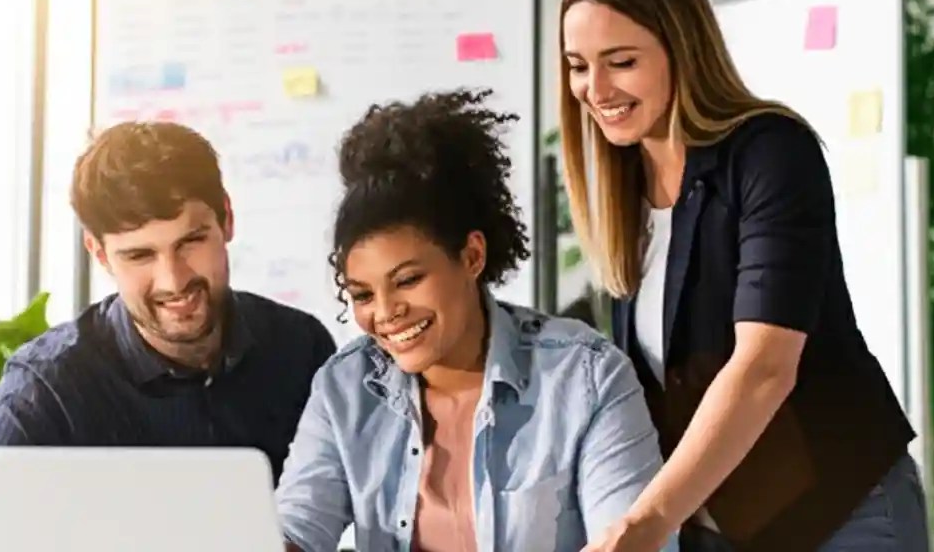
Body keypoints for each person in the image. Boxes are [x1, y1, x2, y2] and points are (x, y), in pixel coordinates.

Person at [557, 0, 929, 552]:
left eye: (620, 61)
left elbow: (763, 368)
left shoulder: (770, 154)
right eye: (577, 65)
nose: (595, 88)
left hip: (840, 514)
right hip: (722, 530)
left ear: (680, 47)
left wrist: (646, 521)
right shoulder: (624, 193)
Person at [274, 89, 673, 552]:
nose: (385, 313)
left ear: (472, 256)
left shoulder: (585, 377)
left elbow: (634, 540)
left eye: (408, 280)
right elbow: (297, 527)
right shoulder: (345, 388)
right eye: (362, 294)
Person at [0, 122, 336, 551]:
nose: (173, 280)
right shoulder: (50, 382)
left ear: (227, 219)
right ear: (99, 253)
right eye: (139, 255)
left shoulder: (300, 348)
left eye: (191, 241)